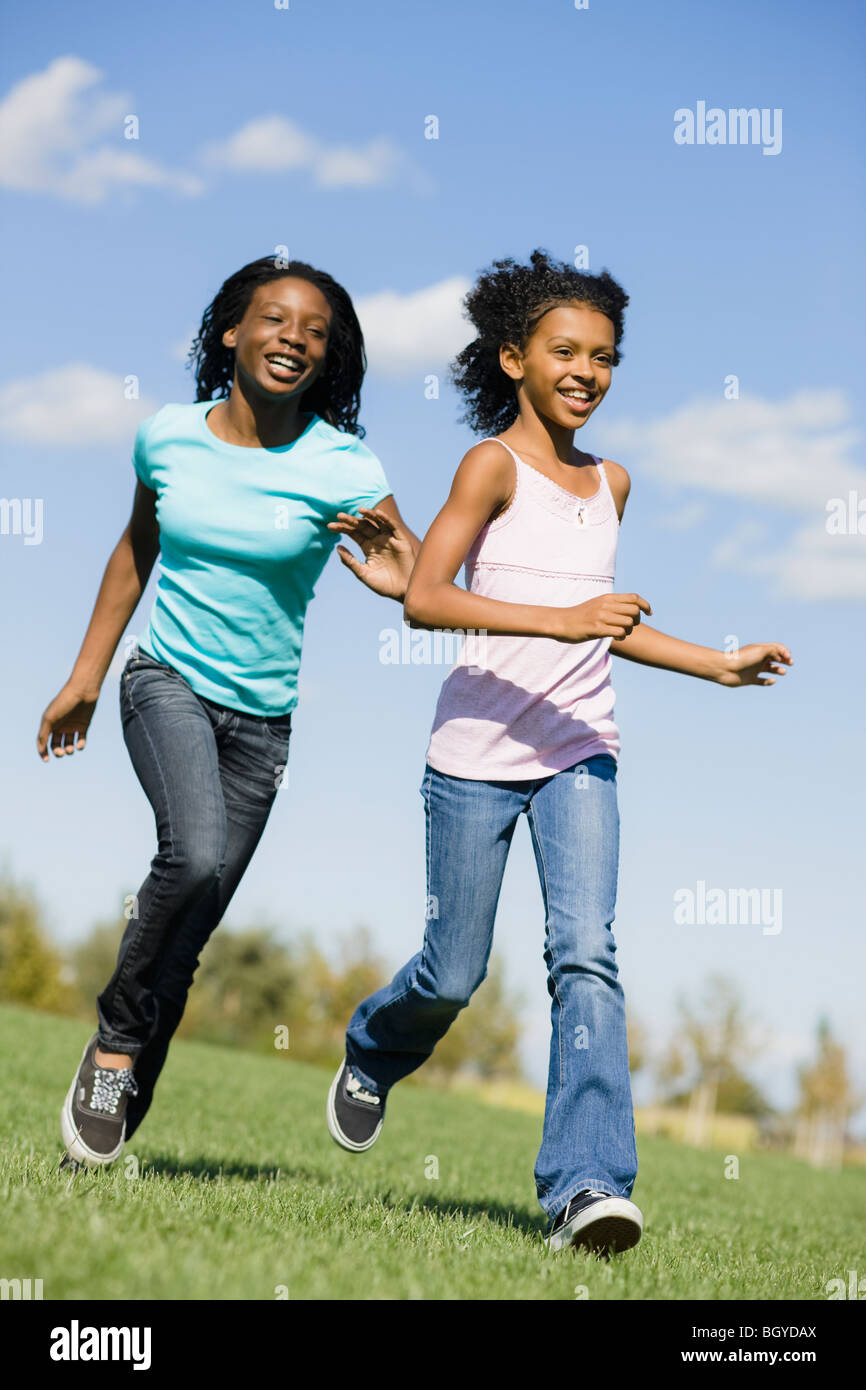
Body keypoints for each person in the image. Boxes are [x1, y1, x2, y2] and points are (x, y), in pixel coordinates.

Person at [327, 249, 792, 1256]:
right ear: (514, 358)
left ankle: (586, 1186)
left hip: (581, 750)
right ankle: (373, 1046)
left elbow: (606, 624)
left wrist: (716, 665)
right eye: (566, 351)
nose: (587, 370)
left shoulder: (610, 482)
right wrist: (563, 619)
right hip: (475, 753)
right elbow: (426, 598)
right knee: (453, 974)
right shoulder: (489, 466)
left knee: (586, 953)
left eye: (605, 356)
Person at [39, 255, 419, 1168]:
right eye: (274, 318)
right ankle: (114, 1046)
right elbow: (136, 550)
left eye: (315, 331)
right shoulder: (168, 438)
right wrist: (87, 675)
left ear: (329, 358)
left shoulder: (342, 464)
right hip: (164, 679)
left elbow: (415, 572)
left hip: (263, 723)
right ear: (232, 332)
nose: (294, 338)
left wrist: (397, 575)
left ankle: (127, 1091)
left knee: (191, 927)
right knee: (196, 855)